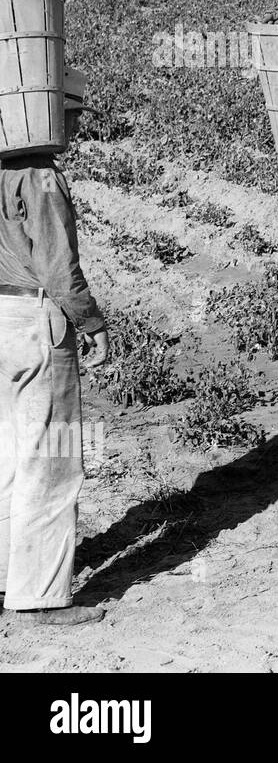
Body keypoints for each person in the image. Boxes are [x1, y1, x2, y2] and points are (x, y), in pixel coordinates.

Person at [0, 68, 109, 625]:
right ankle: (39, 596)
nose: (73, 127)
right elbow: (59, 267)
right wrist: (91, 322)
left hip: (0, 317)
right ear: (48, 111)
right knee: (51, 459)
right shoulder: (39, 176)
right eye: (70, 115)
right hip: (36, 319)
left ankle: (7, 576)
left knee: (8, 454)